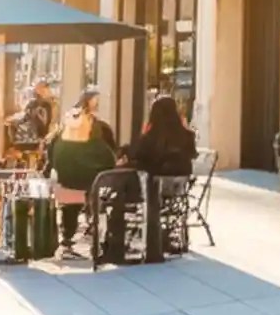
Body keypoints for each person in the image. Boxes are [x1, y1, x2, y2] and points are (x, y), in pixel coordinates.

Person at [47, 89, 117, 257]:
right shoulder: (100, 130)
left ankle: (67, 241)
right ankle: (98, 237)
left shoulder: (63, 130)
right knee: (102, 198)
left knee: (71, 202)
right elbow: (110, 157)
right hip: (95, 184)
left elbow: (52, 154)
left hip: (68, 184)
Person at [129, 96, 197, 177]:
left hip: (154, 182)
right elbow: (192, 154)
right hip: (180, 183)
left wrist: (143, 135)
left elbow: (135, 155)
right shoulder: (188, 136)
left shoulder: (150, 138)